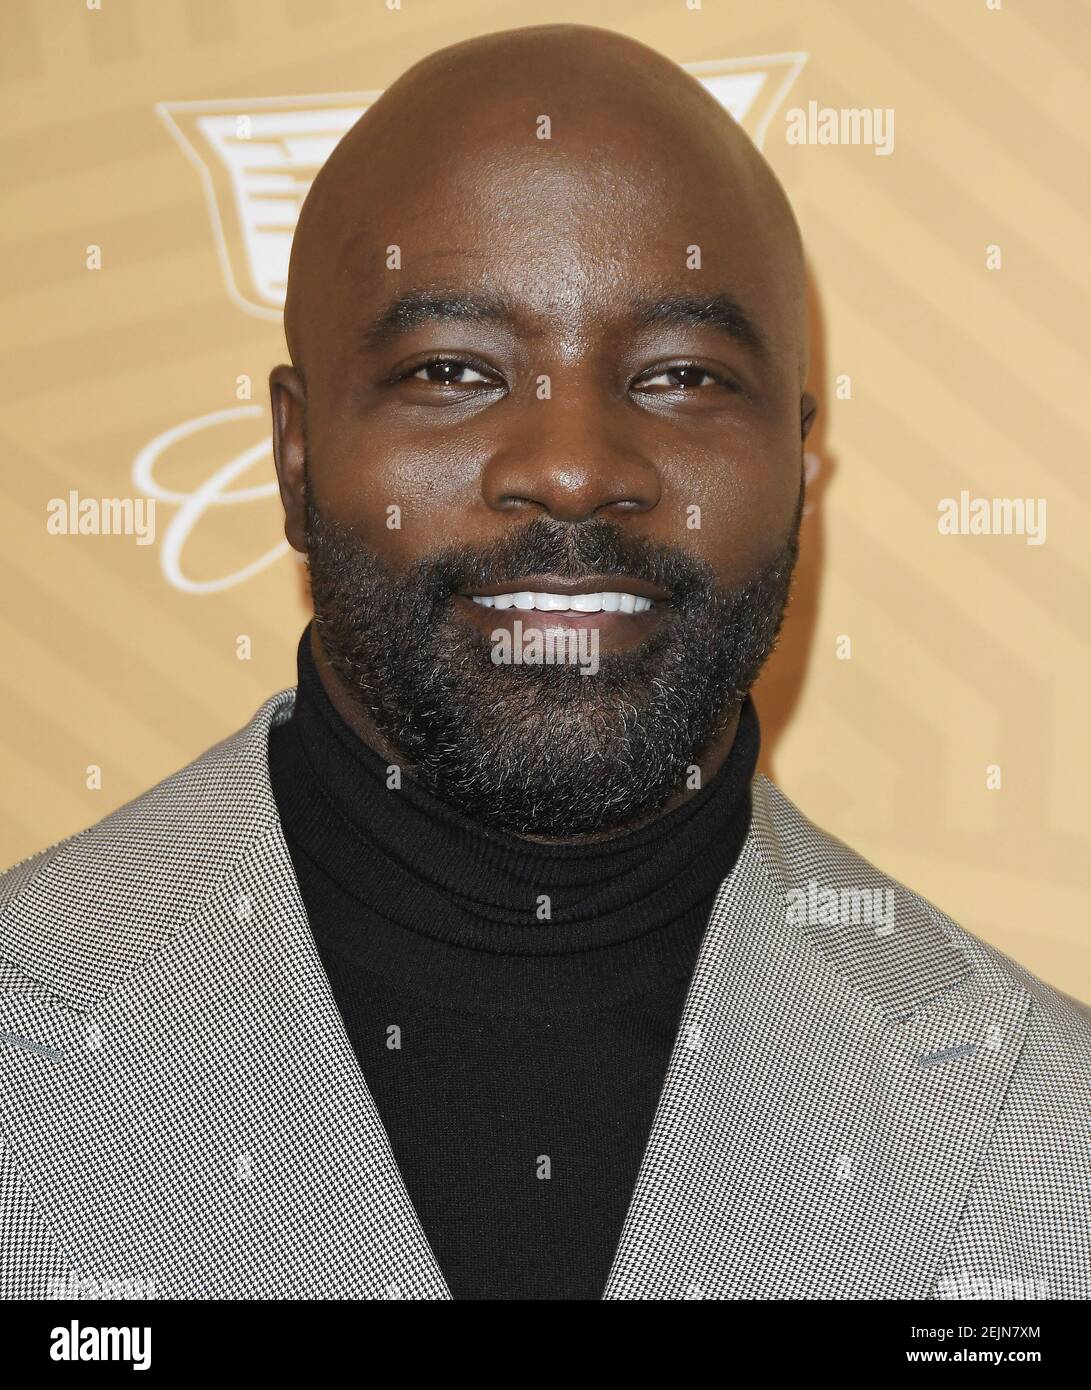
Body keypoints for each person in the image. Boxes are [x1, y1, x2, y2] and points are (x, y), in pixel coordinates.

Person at [1, 24, 1086, 1302]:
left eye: (680, 375)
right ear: (297, 461)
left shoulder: (1044, 1123)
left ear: (797, 467)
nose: (572, 464)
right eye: (453, 370)